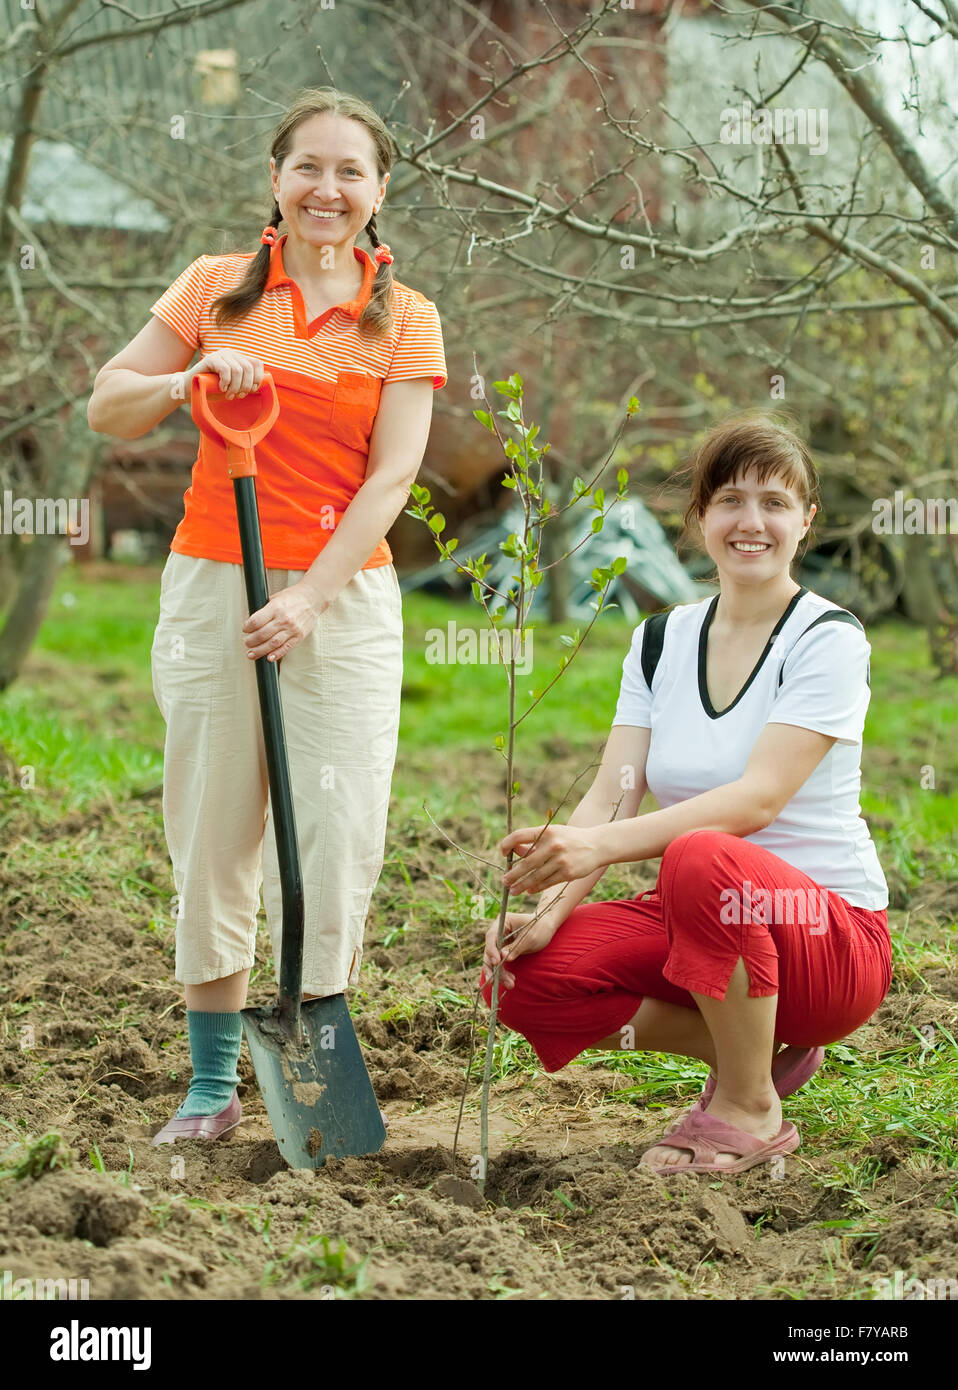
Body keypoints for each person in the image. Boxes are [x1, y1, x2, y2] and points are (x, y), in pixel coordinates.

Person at [87, 88, 447, 1144]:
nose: (326, 189)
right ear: (274, 179)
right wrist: (187, 374)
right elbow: (108, 403)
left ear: (379, 191)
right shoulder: (211, 288)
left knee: (334, 833)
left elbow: (392, 479)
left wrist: (305, 596)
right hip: (212, 582)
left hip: (339, 599)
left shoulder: (405, 317)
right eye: (308, 167)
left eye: (350, 172)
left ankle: (307, 1062)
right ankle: (210, 1082)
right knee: (213, 823)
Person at [480, 412, 891, 1176]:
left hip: (828, 941)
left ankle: (748, 1108)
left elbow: (757, 802)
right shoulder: (662, 639)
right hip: (714, 932)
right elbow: (614, 790)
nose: (751, 521)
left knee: (704, 854)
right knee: (518, 980)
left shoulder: (829, 640)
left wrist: (596, 847)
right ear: (700, 517)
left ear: (805, 521)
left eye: (774, 502)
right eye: (730, 499)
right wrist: (545, 907)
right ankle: (754, 1049)